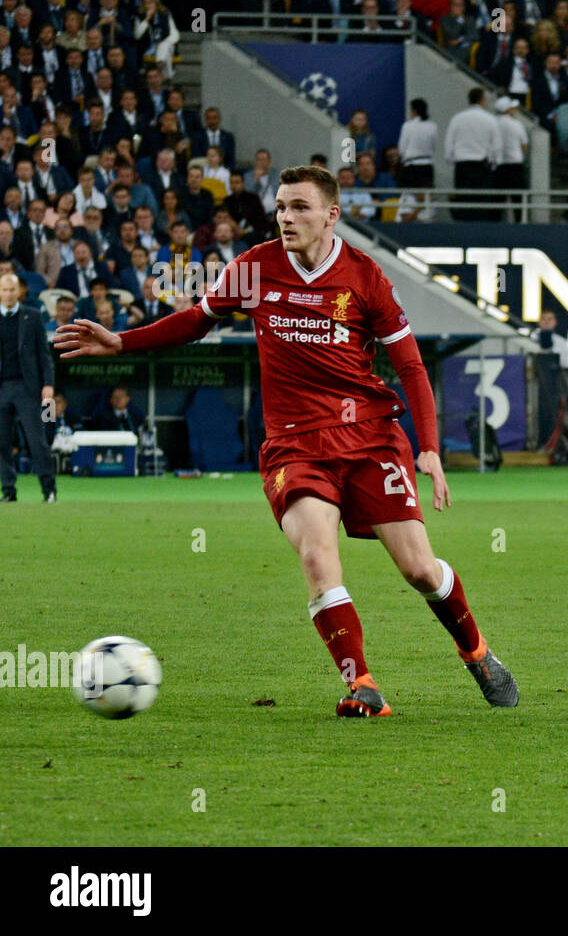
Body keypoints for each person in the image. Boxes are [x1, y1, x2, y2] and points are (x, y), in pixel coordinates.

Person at [54, 165, 518, 715]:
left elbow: (412, 369)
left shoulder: (366, 277)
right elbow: (197, 321)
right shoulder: (254, 267)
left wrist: (430, 449)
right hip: (295, 445)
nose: (286, 217)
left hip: (370, 437)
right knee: (318, 557)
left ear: (330, 214)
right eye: (280, 207)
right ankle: (362, 687)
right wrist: (121, 342)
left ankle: (477, 652)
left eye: (299, 207)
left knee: (419, 568)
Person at [0, 272, 56, 502]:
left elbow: (45, 356)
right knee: (2, 444)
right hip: (2, 388)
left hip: (28, 389)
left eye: (12, 290)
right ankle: (9, 492)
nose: (8, 294)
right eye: (4, 290)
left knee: (37, 442)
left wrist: (49, 385)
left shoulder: (33, 317)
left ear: (20, 292)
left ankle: (49, 490)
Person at [444, 88, 501, 221]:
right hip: (481, 165)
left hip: (462, 166)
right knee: (481, 202)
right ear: (483, 101)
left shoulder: (457, 119)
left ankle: (464, 231)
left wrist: (451, 162)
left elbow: (449, 143)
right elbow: (497, 146)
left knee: (463, 201)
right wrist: (494, 163)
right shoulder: (490, 119)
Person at [492, 97, 529, 222]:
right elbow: (524, 144)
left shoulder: (492, 123)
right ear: (509, 110)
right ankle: (520, 227)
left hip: (498, 167)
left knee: (497, 203)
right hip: (515, 166)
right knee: (518, 202)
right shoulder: (516, 124)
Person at [396, 98, 437, 189]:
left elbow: (402, 149)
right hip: (427, 166)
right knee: (425, 197)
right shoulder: (432, 126)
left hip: (411, 166)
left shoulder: (407, 126)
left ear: (414, 111)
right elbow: (433, 147)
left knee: (410, 196)